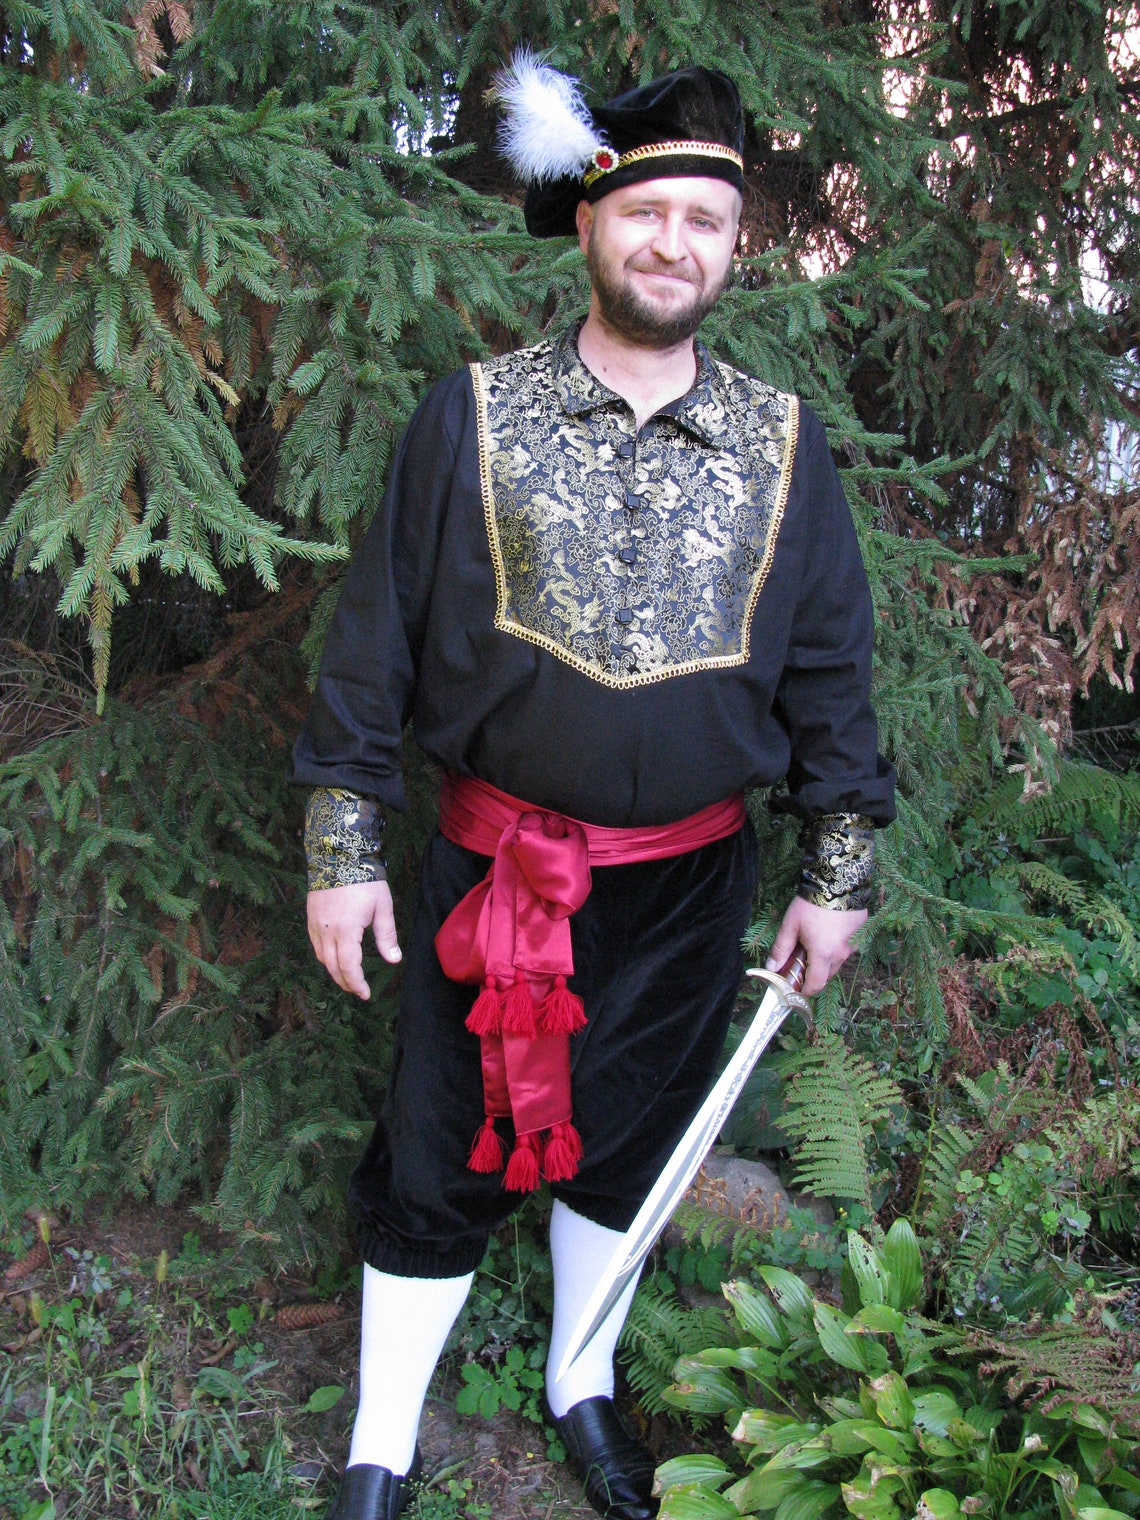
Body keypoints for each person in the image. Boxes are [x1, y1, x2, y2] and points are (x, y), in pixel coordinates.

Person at [291, 57, 895, 1520]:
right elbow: (370, 647)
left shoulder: (787, 447)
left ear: (735, 247)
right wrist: (343, 847)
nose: (672, 244)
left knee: (631, 1143)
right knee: (437, 1151)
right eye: (645, 213)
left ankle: (580, 1384)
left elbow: (831, 673)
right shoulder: (468, 417)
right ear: (589, 224)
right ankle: (381, 1440)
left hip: (688, 893)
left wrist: (838, 873)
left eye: (705, 220)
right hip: (490, 880)